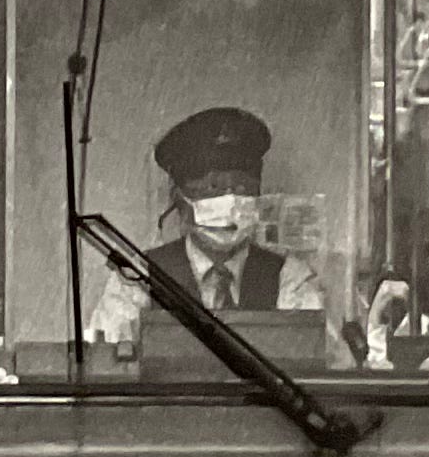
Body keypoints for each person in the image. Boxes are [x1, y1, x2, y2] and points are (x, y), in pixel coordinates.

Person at [89, 103, 321, 348]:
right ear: (179, 200)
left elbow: (314, 362)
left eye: (242, 189)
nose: (230, 202)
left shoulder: (290, 279)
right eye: (213, 188)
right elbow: (107, 363)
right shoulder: (138, 279)